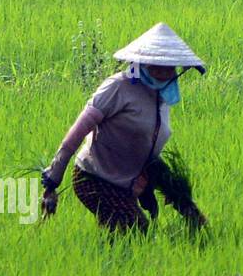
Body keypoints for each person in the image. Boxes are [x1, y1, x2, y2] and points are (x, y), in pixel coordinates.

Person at [41, 22, 208, 234]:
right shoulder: (117, 87)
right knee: (137, 232)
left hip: (127, 181)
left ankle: (201, 232)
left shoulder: (161, 96)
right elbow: (76, 134)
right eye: (155, 65)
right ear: (141, 62)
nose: (164, 72)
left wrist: (145, 183)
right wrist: (53, 182)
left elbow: (147, 146)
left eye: (169, 67)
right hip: (95, 178)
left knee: (191, 220)